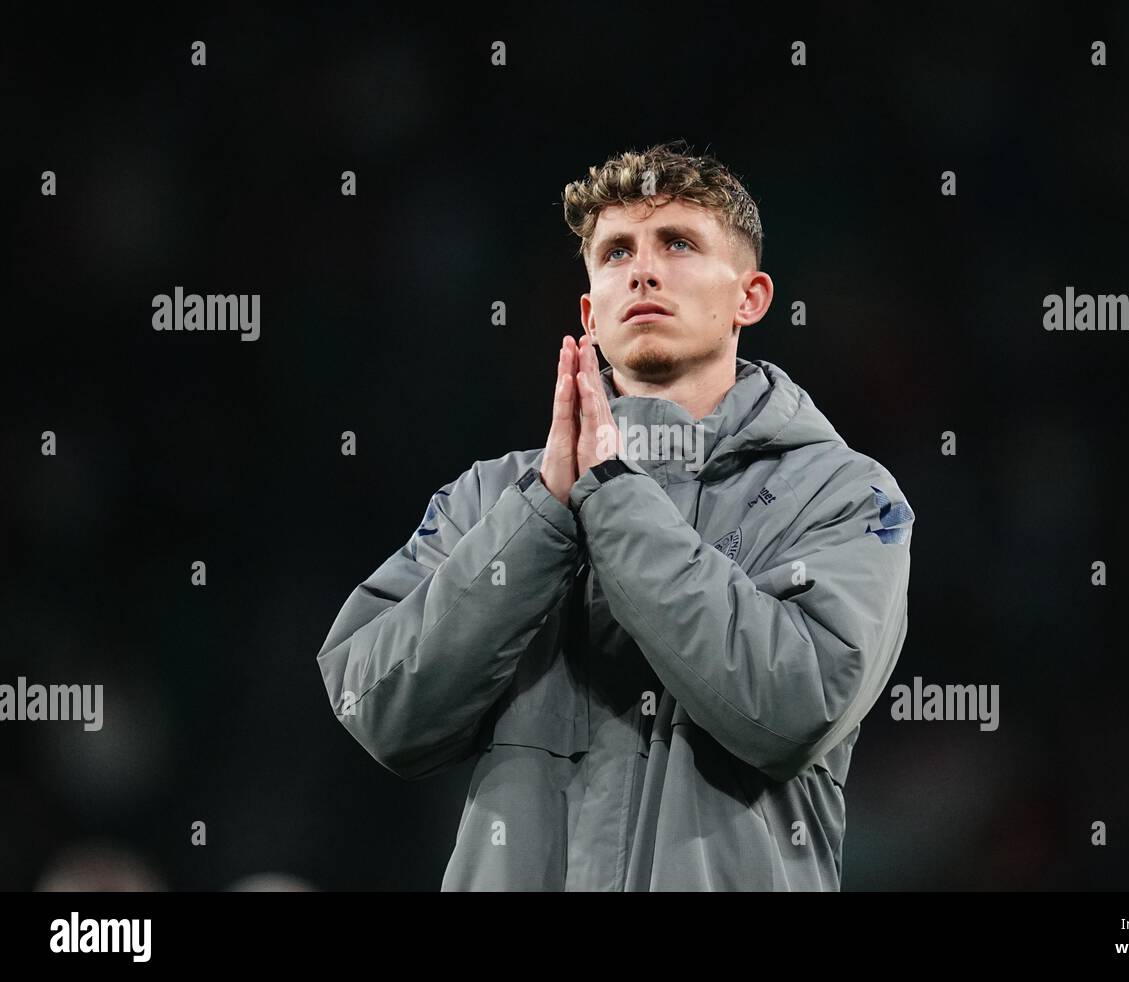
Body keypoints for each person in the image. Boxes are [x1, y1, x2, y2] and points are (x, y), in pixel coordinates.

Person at [316, 141, 916, 890]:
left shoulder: (841, 494)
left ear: (750, 298)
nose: (643, 268)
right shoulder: (494, 498)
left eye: (679, 243)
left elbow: (792, 705)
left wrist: (610, 489)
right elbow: (377, 708)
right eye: (616, 252)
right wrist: (541, 515)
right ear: (588, 312)